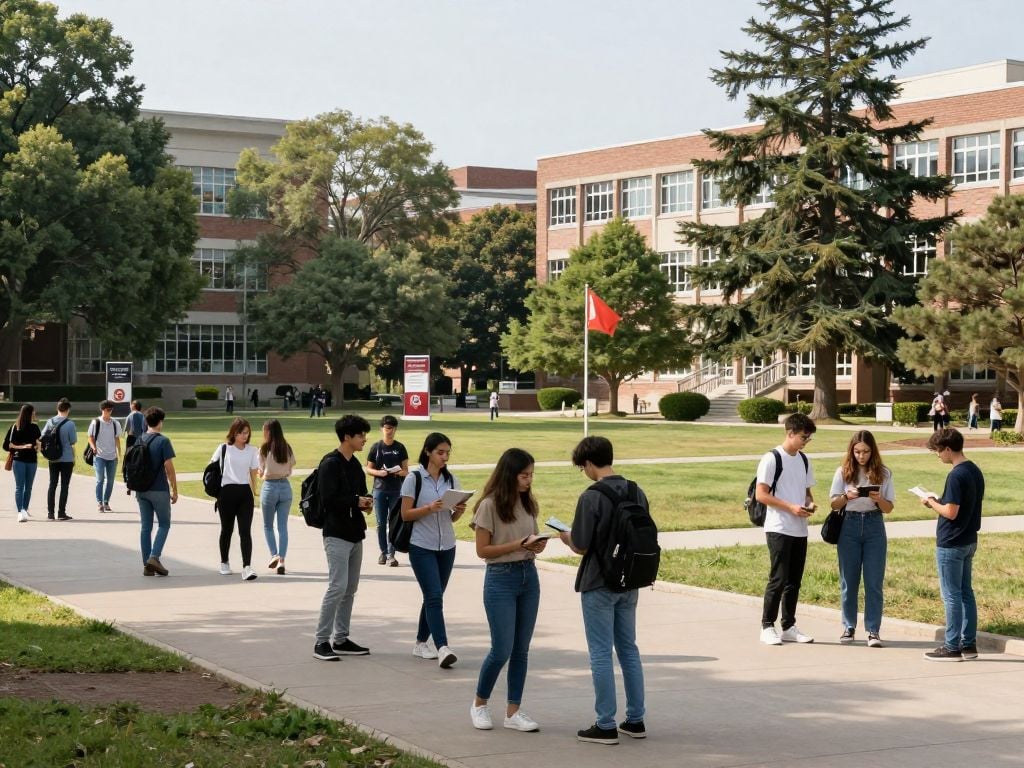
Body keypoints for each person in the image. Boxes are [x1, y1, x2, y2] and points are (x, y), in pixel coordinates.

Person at [557, 435, 647, 745]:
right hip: (630, 579)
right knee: (629, 649)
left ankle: (605, 723)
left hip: (598, 581)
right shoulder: (637, 490)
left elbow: (581, 545)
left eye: (582, 466)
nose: (584, 472)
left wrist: (565, 537)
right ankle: (635, 719)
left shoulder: (591, 496)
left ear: (589, 463)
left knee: (600, 653)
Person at [469, 448, 545, 733]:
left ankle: (513, 711)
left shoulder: (527, 503)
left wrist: (536, 544)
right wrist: (519, 544)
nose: (529, 480)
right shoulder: (488, 506)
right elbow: (482, 550)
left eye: (531, 475)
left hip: (528, 575)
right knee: (501, 649)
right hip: (500, 578)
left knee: (521, 650)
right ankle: (479, 704)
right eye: (524, 475)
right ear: (509, 475)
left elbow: (529, 537)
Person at [400, 432, 467, 669]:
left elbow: (453, 518)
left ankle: (420, 643)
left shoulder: (451, 480)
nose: (445, 456)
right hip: (421, 545)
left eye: (448, 452)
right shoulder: (414, 478)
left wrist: (459, 509)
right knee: (434, 596)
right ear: (428, 451)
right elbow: (405, 514)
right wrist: (429, 508)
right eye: (440, 452)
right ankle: (442, 647)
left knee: (433, 596)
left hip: (447, 546)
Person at [312, 414, 374, 661]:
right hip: (336, 533)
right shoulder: (330, 463)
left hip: (355, 533)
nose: (364, 439)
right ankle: (321, 642)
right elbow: (327, 499)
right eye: (361, 435)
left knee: (350, 588)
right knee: (337, 587)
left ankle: (341, 638)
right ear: (347, 437)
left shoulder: (355, 464)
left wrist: (366, 501)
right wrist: (354, 501)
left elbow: (358, 492)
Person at [921, 428, 984, 662]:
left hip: (951, 543)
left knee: (951, 596)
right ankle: (968, 645)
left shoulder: (956, 475)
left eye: (938, 451)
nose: (938, 456)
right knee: (966, 593)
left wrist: (930, 502)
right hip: (969, 539)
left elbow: (950, 511)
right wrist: (939, 502)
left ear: (948, 449)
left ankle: (951, 646)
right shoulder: (974, 470)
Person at [828, 431, 895, 647]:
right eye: (857, 451)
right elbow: (833, 504)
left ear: (872, 451)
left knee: (874, 581)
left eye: (865, 451)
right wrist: (847, 496)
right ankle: (848, 626)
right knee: (849, 580)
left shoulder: (884, 473)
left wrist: (878, 499)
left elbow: (889, 508)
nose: (861, 456)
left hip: (875, 525)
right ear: (851, 451)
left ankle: (873, 630)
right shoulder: (843, 472)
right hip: (850, 524)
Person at [756, 412, 817, 646]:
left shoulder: (804, 460)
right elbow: (762, 494)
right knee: (778, 578)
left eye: (808, 438)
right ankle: (767, 626)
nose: (805, 441)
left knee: (794, 580)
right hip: (778, 527)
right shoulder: (772, 458)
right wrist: (790, 507)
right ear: (790, 433)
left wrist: (808, 505)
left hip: (799, 528)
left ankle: (789, 626)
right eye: (803, 437)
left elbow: (807, 492)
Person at [212, 418, 261, 580]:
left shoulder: (252, 450)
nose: (244, 435)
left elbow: (254, 471)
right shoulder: (224, 448)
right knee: (227, 529)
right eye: (241, 432)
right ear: (233, 433)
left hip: (244, 493)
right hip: (226, 493)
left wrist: (255, 490)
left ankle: (247, 567)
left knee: (245, 531)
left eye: (246, 432)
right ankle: (224, 562)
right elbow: (211, 468)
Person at [135, 407, 178, 577]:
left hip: (141, 489)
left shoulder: (140, 439)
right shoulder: (163, 441)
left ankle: (147, 565)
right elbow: (169, 468)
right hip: (159, 489)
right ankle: (154, 556)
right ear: (160, 422)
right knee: (164, 524)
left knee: (146, 527)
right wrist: (175, 489)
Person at [365, 414, 409, 567]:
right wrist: (379, 473)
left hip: (396, 490)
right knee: (380, 523)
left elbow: (406, 471)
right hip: (379, 490)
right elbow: (369, 469)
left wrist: (397, 472)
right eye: (386, 428)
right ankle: (383, 552)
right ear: (381, 429)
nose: (389, 431)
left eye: (392, 428)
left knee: (394, 522)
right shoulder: (376, 448)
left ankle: (391, 554)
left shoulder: (400, 448)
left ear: (395, 429)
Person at [258, 419, 295, 575]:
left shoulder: (264, 449)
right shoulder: (287, 448)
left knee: (268, 525)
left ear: (268, 432)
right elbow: (291, 467)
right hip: (285, 487)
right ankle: (282, 560)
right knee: (282, 526)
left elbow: (260, 471)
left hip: (270, 486)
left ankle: (274, 554)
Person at [4, 403, 42, 523]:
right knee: (20, 487)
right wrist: (23, 446)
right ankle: (20, 512)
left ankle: (24, 509)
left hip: (32, 461)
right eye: (33, 411)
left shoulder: (35, 427)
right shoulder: (15, 427)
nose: (35, 413)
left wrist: (38, 447)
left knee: (29, 487)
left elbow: (38, 445)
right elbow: (6, 446)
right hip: (18, 460)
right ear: (29, 413)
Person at [42, 398, 77, 521]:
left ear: (57, 409)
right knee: (64, 485)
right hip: (67, 458)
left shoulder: (50, 421)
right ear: (68, 410)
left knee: (52, 484)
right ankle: (61, 512)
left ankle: (50, 513)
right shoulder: (70, 424)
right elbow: (73, 441)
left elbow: (42, 437)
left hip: (53, 457)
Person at [88, 400, 123, 513]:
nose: (110, 412)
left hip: (112, 456)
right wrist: (94, 447)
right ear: (102, 410)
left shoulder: (115, 423)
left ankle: (106, 501)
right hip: (99, 455)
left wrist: (119, 452)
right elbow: (90, 437)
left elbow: (117, 438)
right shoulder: (95, 422)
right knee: (100, 480)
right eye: (108, 410)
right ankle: (99, 503)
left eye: (111, 410)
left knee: (110, 481)